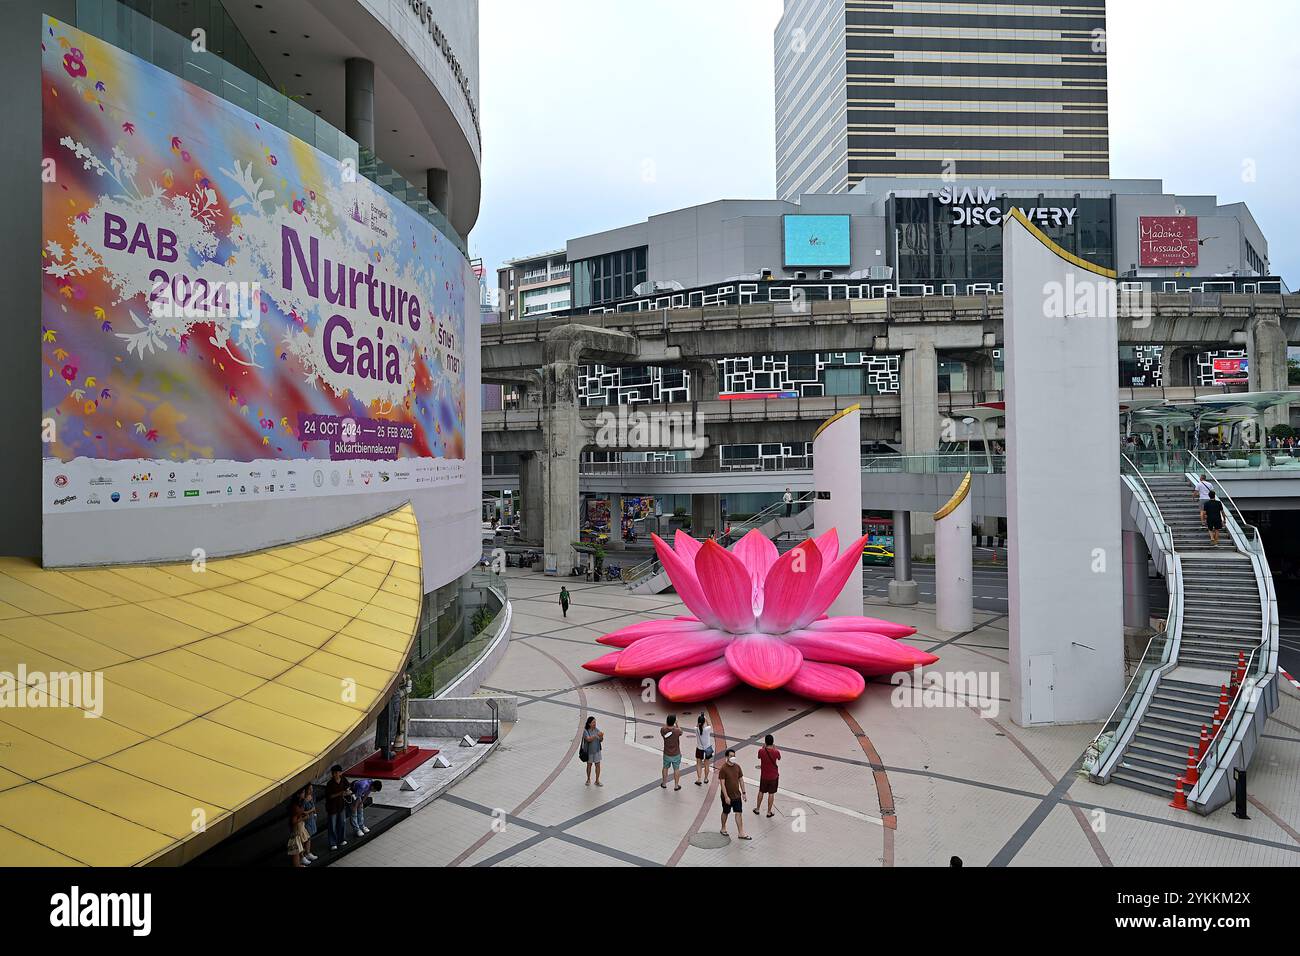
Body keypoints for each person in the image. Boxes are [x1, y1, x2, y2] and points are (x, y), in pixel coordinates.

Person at [718, 749, 750, 840]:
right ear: (727, 757)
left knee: (739, 813)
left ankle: (741, 833)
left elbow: (741, 780)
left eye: (734, 756)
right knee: (726, 812)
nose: (733, 757)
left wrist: (744, 793)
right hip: (727, 797)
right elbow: (722, 784)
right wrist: (726, 796)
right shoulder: (723, 769)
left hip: (737, 796)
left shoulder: (737, 767)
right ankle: (723, 828)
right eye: (731, 756)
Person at [754, 734, 781, 817]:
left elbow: (759, 757)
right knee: (771, 793)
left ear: (765, 742)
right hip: (773, 776)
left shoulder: (761, 751)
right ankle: (769, 812)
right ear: (773, 742)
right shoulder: (776, 752)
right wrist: (775, 748)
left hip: (764, 776)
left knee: (761, 791)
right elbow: (779, 758)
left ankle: (757, 809)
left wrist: (763, 748)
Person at [324, 765, 350, 851]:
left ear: (340, 773)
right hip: (332, 808)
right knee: (332, 825)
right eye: (333, 773)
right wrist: (340, 793)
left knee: (342, 823)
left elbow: (347, 787)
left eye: (336, 773)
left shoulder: (343, 779)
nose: (334, 774)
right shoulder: (330, 784)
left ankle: (341, 839)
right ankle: (333, 843)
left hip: (341, 805)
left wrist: (347, 792)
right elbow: (329, 796)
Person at [660, 714, 683, 790]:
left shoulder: (663, 730)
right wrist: (677, 723)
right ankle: (676, 785)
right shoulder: (677, 731)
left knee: (665, 768)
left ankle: (664, 783)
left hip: (666, 753)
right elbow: (681, 732)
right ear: (674, 722)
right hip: (676, 754)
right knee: (676, 769)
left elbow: (665, 727)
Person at [298, 783, 319, 864]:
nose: (311, 790)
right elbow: (302, 812)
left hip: (311, 819)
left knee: (309, 837)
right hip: (305, 822)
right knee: (304, 838)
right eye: (309, 789)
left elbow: (313, 807)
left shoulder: (311, 797)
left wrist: (315, 813)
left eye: (312, 788)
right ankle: (302, 856)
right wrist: (311, 811)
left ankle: (308, 852)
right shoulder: (303, 800)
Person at [582, 716, 604, 786]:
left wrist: (601, 737)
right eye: (593, 722)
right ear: (589, 724)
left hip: (597, 751)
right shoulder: (586, 731)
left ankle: (597, 780)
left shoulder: (597, 730)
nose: (595, 724)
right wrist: (595, 736)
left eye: (595, 722)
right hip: (589, 752)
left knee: (598, 765)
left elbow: (601, 740)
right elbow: (588, 739)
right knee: (589, 765)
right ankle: (588, 779)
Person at [694, 713, 715, 785]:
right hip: (707, 749)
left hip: (699, 749)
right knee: (707, 764)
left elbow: (697, 726)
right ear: (704, 722)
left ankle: (699, 779)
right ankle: (706, 778)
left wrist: (699, 721)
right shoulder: (707, 729)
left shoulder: (696, 729)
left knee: (698, 764)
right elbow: (709, 725)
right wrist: (706, 719)